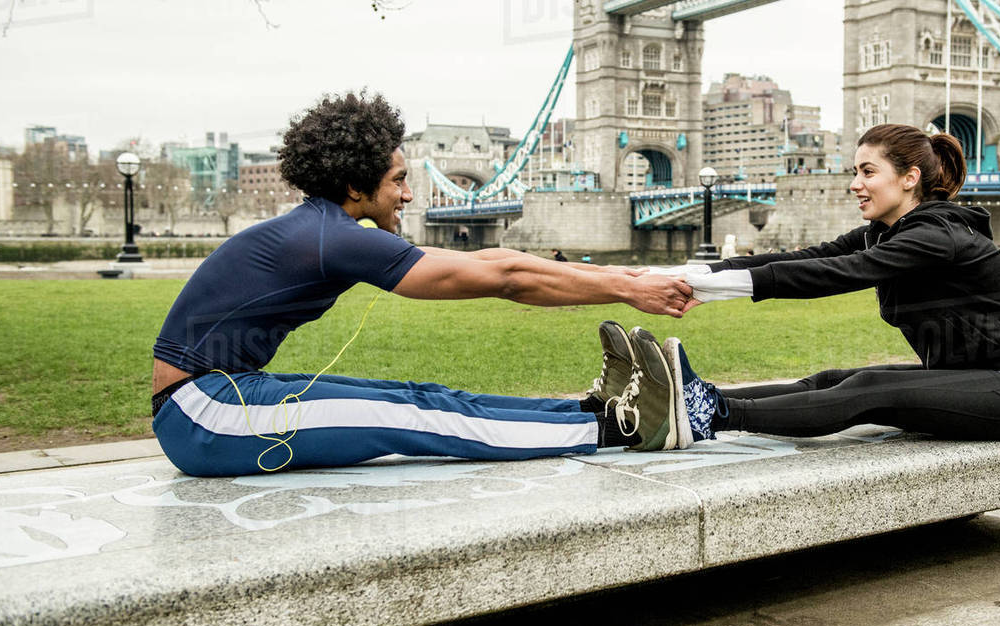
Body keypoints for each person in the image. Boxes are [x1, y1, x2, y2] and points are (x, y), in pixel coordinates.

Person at [151, 93, 692, 477]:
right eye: (398, 181)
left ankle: (592, 413)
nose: (408, 195)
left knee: (422, 398)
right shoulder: (330, 237)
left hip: (215, 404)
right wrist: (626, 289)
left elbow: (495, 261)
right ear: (354, 186)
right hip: (204, 415)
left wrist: (621, 277)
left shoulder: (322, 229)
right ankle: (619, 431)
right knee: (411, 415)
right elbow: (504, 279)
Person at [585, 124, 1000, 449]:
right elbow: (811, 258)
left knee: (868, 387)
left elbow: (839, 274)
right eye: (856, 171)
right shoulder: (887, 230)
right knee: (833, 381)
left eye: (868, 172)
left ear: (910, 179)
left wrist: (717, 288)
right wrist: (699, 274)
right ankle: (688, 400)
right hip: (965, 378)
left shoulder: (937, 237)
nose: (855, 184)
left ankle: (711, 413)